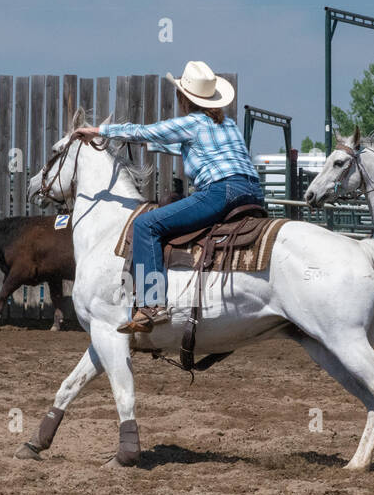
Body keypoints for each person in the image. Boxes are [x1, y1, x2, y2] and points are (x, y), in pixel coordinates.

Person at [74, 60, 264, 334]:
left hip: (220, 193)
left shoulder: (191, 122)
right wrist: (146, 144)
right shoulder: (228, 124)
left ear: (184, 98)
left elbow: (145, 131)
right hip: (252, 193)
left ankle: (152, 305)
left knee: (146, 225)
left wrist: (99, 131)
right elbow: (183, 146)